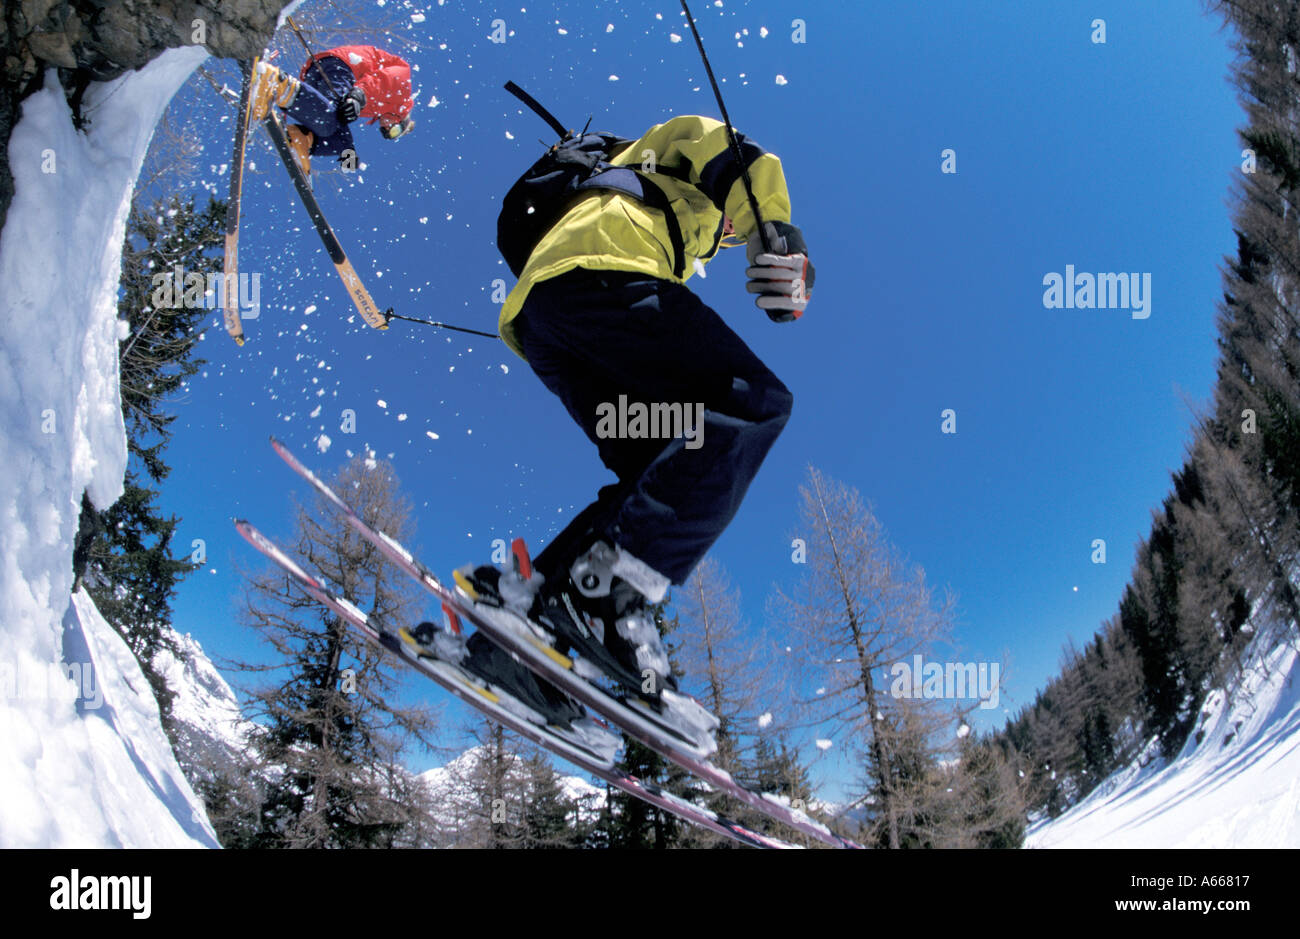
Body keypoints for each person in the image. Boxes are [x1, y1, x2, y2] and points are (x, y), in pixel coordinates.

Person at [456, 113, 814, 705]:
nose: (726, 236)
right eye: (727, 230)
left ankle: (521, 634)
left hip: (552, 325)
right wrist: (774, 227)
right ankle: (608, 595)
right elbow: (725, 149)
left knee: (661, 463)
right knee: (751, 403)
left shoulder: (645, 221)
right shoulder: (651, 162)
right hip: (602, 276)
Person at [249, 45, 416, 175]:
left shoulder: (376, 110)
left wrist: (347, 152)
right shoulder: (401, 95)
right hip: (344, 66)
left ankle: (300, 139)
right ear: (402, 119)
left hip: (319, 74)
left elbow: (342, 118)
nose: (387, 128)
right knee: (328, 119)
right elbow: (383, 80)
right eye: (395, 130)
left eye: (387, 134)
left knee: (335, 129)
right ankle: (278, 83)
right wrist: (358, 95)